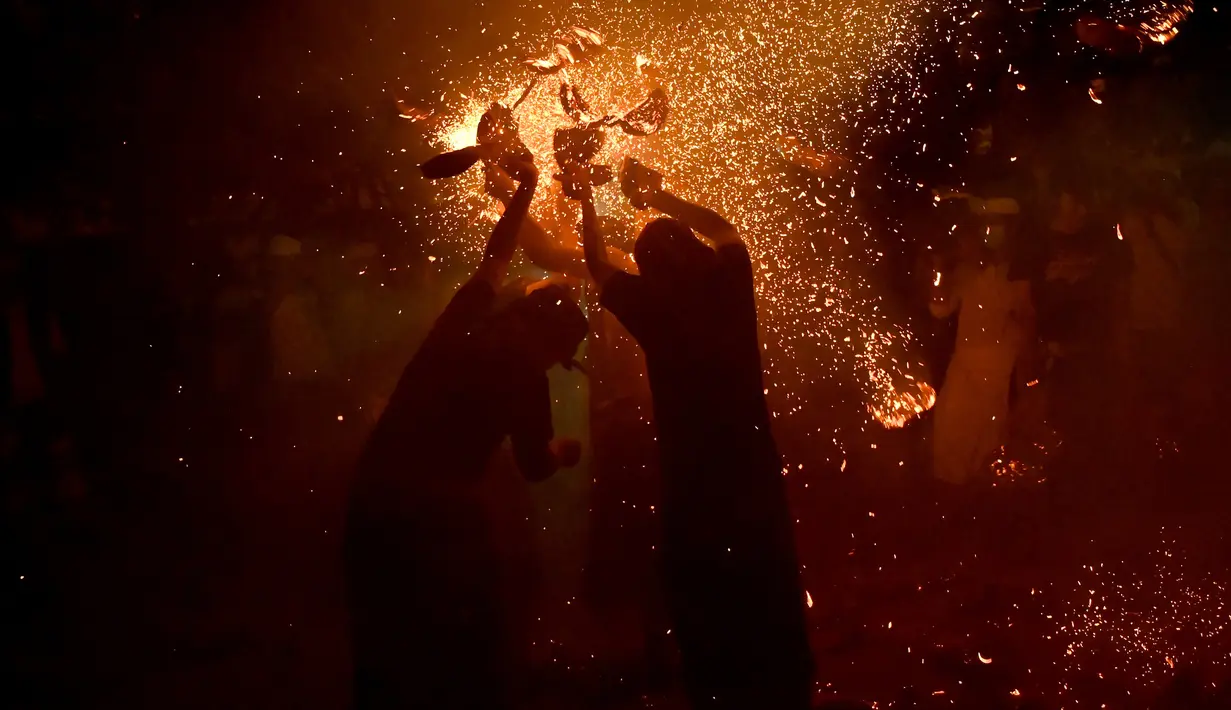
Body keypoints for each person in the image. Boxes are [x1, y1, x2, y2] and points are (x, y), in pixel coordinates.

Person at [566, 158, 813, 709]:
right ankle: (784, 679)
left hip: (692, 472)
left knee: (703, 580)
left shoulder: (653, 307)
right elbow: (724, 229)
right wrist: (657, 197)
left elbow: (596, 265)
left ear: (650, 269)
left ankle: (715, 684)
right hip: (751, 460)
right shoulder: (729, 286)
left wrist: (585, 197)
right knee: (765, 565)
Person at [343, 154, 587, 710]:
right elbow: (535, 466)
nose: (553, 365)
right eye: (559, 356)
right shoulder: (527, 376)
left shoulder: (468, 317)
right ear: (552, 344)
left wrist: (525, 187)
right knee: (459, 660)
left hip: (372, 495)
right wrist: (564, 451)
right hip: (437, 521)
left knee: (384, 654)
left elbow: (496, 254)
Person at [929, 200, 1034, 485]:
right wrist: (939, 273)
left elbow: (1025, 319)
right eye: (987, 223)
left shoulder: (1015, 274)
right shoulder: (967, 271)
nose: (990, 230)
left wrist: (1026, 371)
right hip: (965, 360)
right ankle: (953, 488)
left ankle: (982, 488)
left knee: (987, 432)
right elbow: (940, 308)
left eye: (997, 223)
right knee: (952, 425)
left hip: (997, 363)